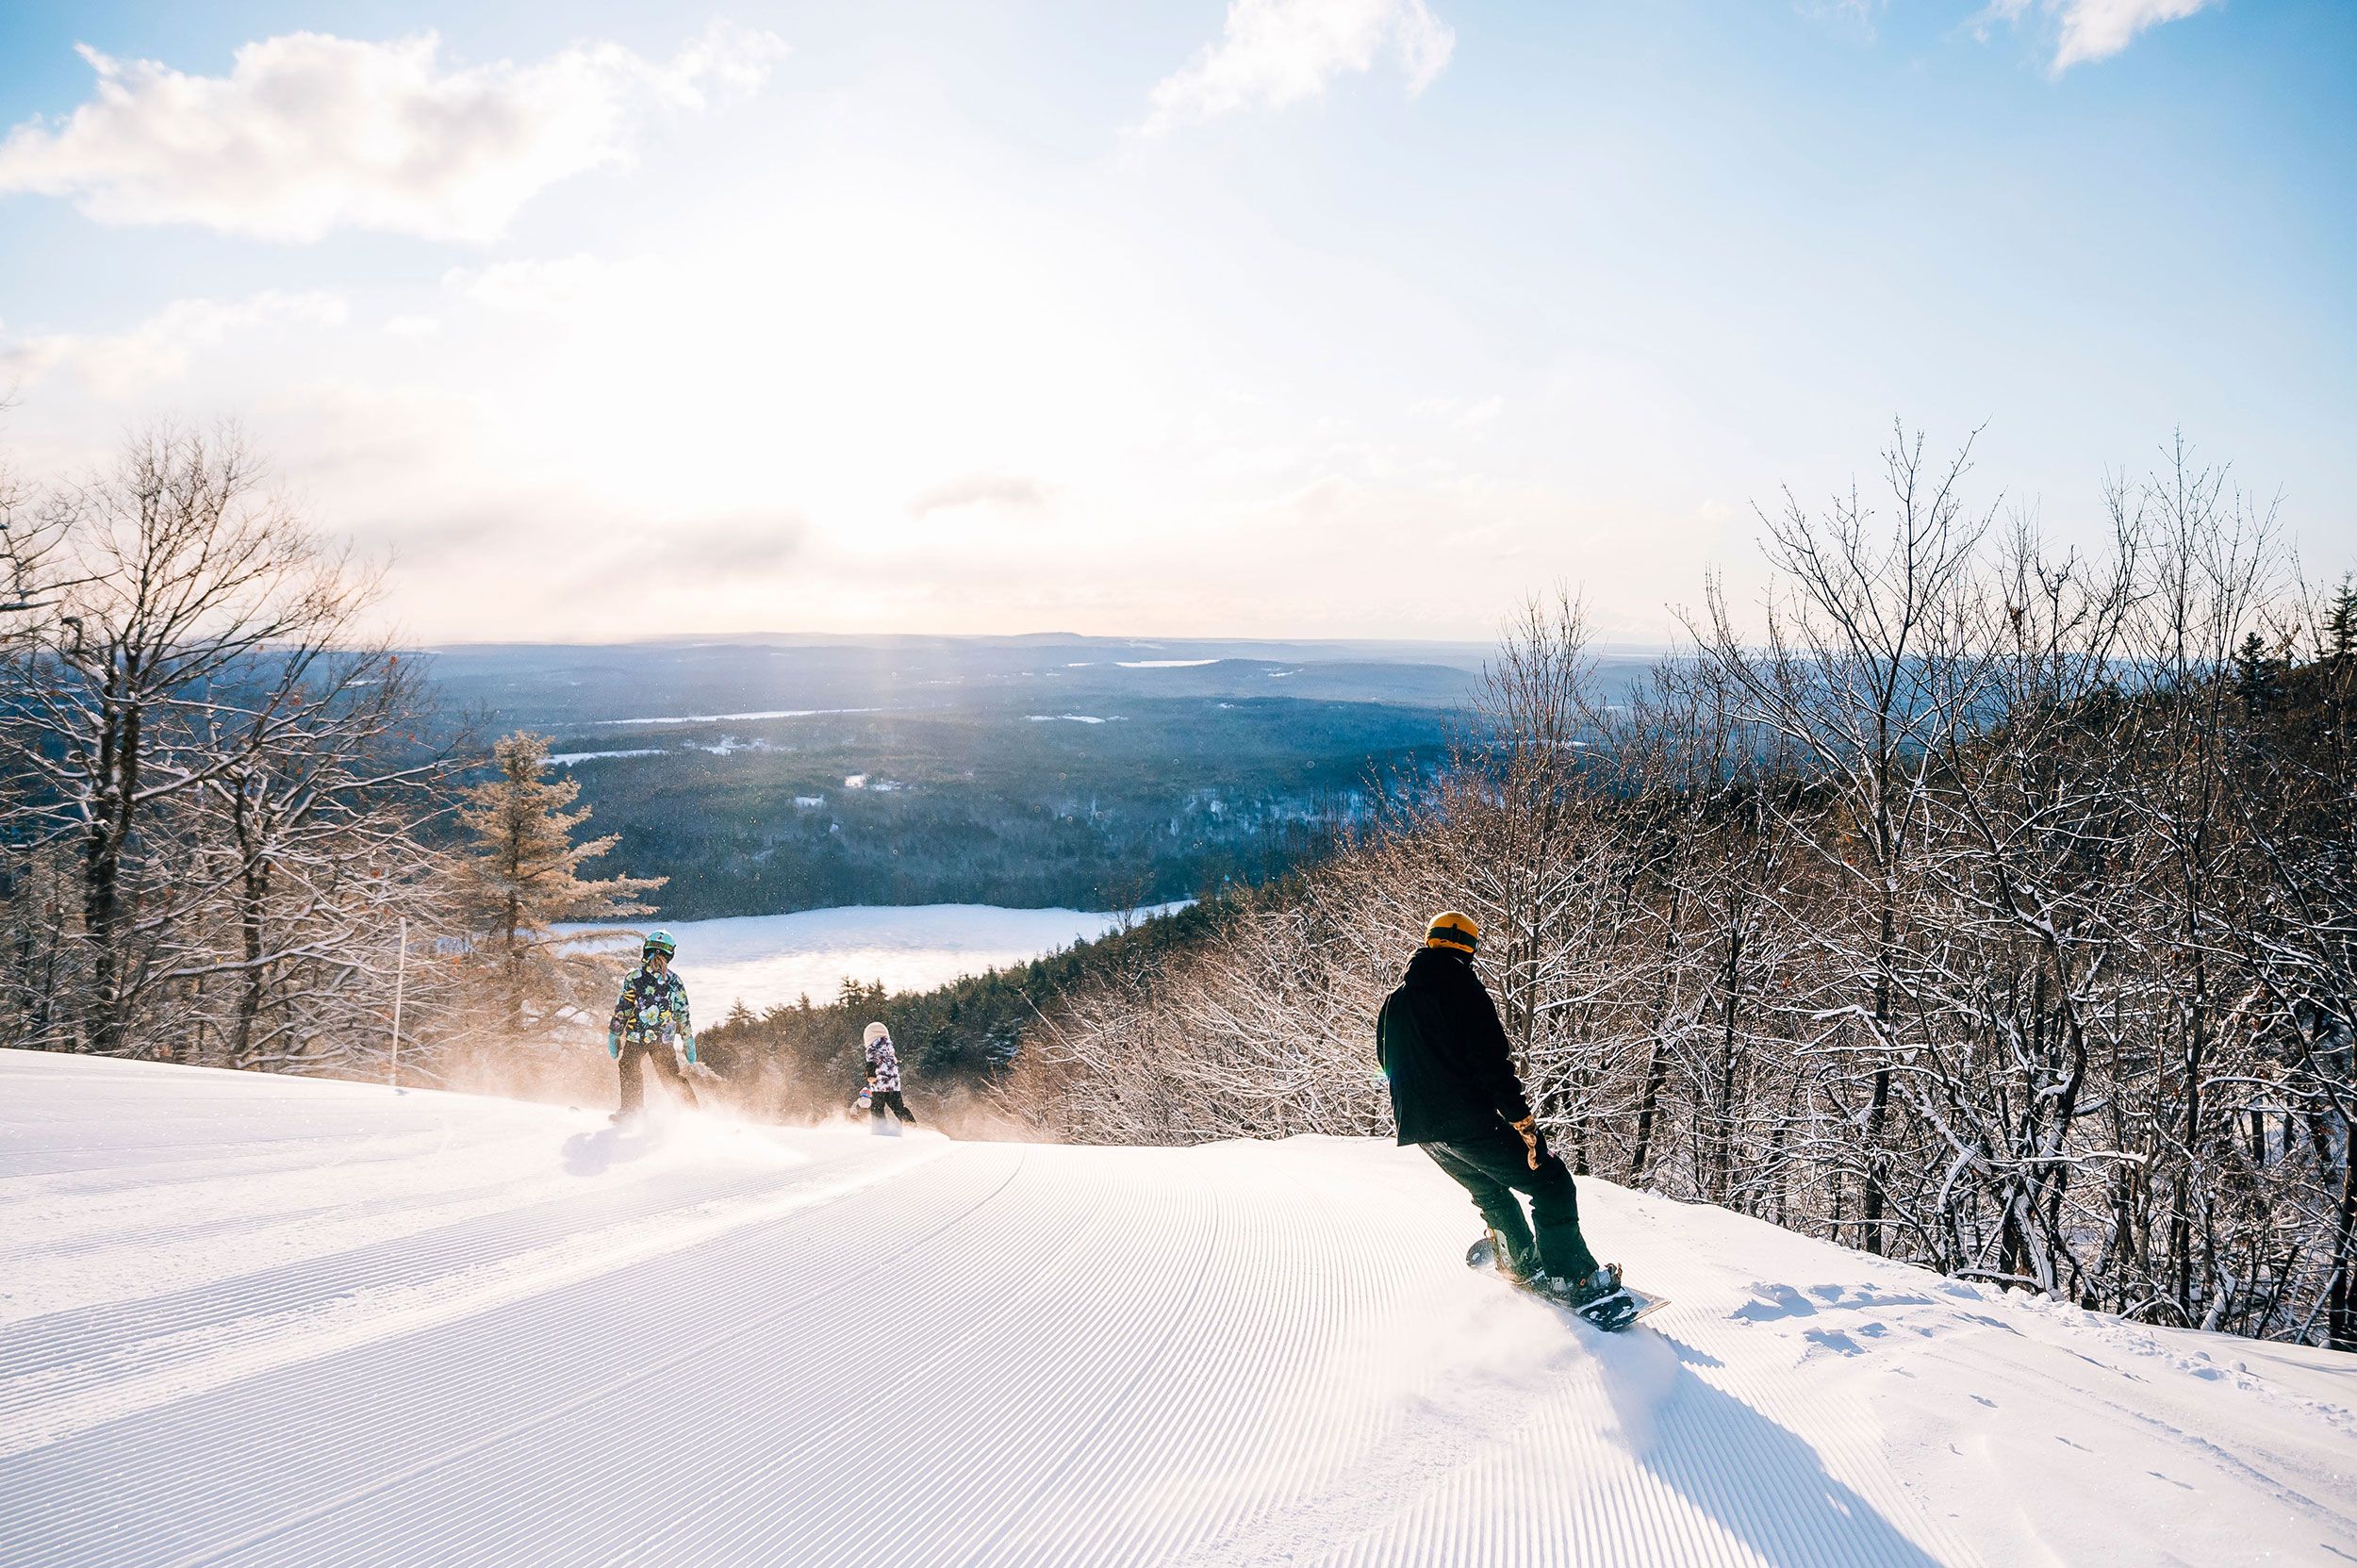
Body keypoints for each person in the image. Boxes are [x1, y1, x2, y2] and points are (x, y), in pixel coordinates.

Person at [1376, 910, 1624, 1312]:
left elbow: (1385, 1062)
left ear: (1430, 941)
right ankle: (1573, 1278)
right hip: (1465, 1121)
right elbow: (1490, 1065)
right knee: (1552, 1184)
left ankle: (1518, 1260)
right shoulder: (1464, 990)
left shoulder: (1395, 1000)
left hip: (1420, 1129)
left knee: (1489, 1189)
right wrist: (1522, 1122)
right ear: (1469, 949)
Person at [608, 930, 700, 1123]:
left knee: (629, 1068)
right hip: (663, 1039)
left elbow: (623, 1008)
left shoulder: (634, 977)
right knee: (670, 1075)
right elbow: (682, 1014)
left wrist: (614, 1033)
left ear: (646, 949)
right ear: (671, 953)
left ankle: (632, 1111)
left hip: (637, 1037)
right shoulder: (674, 981)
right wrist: (687, 1039)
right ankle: (692, 1114)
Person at [861, 1021, 917, 1128]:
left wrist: (870, 1075)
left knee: (877, 1107)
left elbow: (871, 1062)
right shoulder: (889, 1047)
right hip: (893, 1084)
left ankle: (880, 1127)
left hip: (880, 1084)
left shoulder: (872, 1048)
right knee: (898, 1106)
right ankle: (911, 1125)